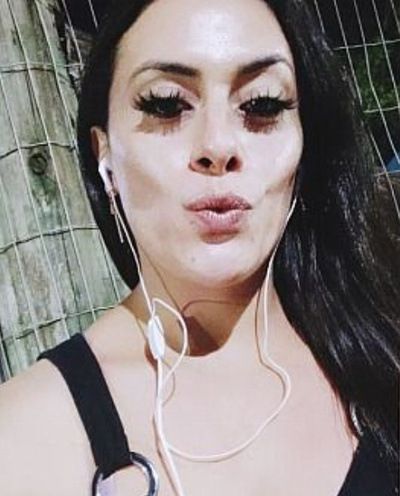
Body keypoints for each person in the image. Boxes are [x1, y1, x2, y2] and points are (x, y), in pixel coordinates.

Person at [0, 0, 398, 494]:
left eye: (262, 104)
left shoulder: (381, 351)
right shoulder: (25, 438)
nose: (218, 146)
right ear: (105, 156)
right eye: (166, 104)